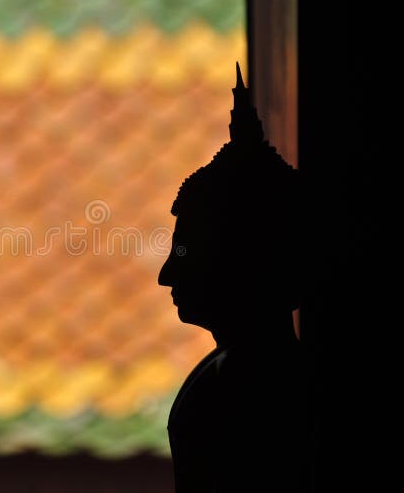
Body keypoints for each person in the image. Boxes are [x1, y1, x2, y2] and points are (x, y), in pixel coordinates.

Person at [158, 63, 311, 492]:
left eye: (187, 252)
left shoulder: (260, 395)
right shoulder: (230, 373)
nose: (165, 276)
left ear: (244, 261)